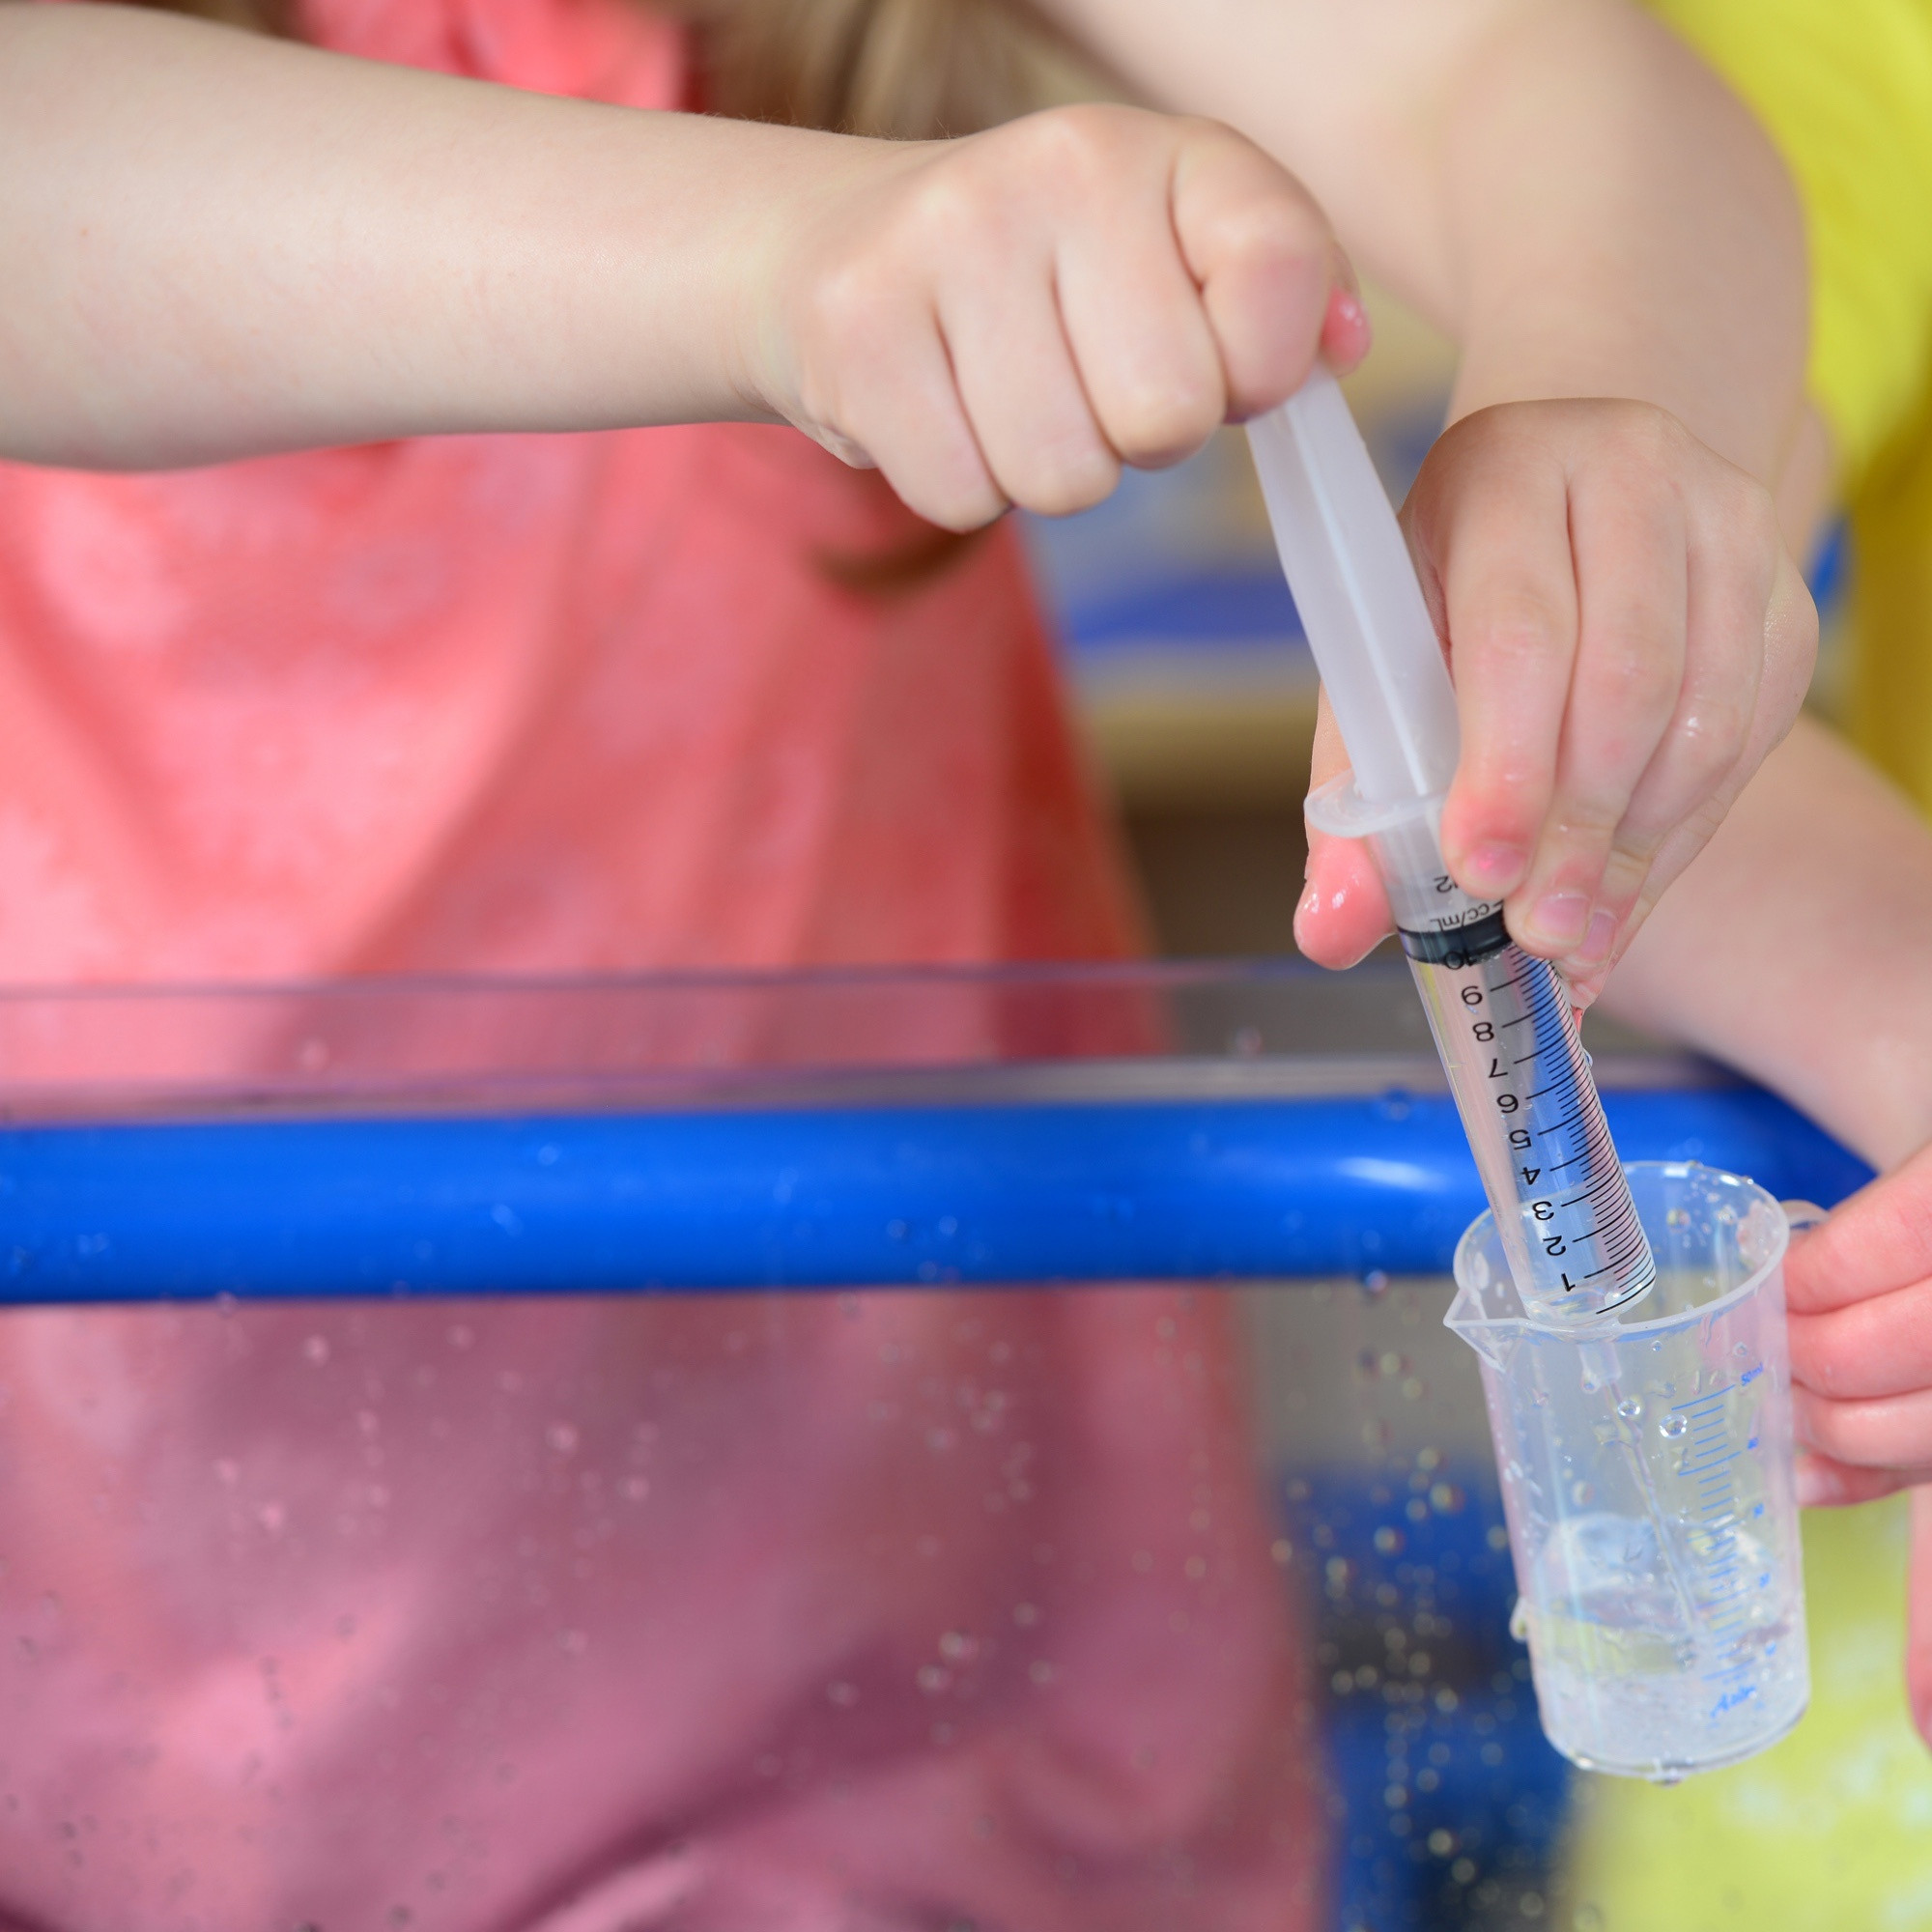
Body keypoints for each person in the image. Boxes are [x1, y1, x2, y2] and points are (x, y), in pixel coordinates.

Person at [0, 0, 1824, 1925]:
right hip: (172, 1685)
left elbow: (1514, 69)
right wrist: (785, 254)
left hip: (937, 1680)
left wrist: (1614, 427)